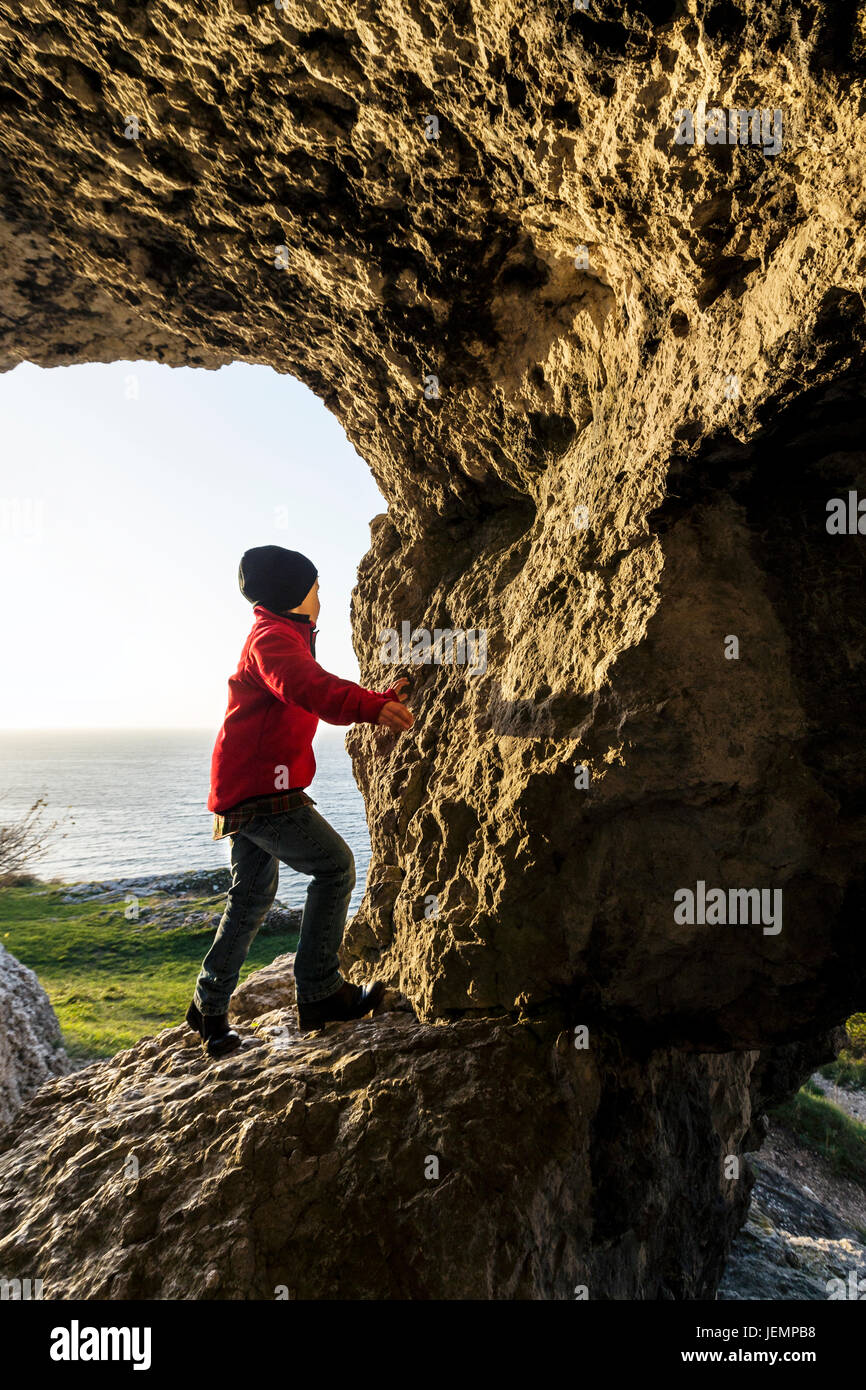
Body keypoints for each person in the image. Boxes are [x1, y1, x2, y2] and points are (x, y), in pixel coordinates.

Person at [186, 544, 413, 1057]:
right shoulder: (272, 640)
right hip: (264, 792)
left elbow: (311, 684)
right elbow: (305, 686)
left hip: (248, 787)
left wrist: (375, 696)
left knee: (249, 899)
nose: (320, 596)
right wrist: (370, 707)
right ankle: (320, 992)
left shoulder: (281, 636)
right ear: (294, 595)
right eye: (314, 587)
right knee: (335, 867)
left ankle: (208, 1007)